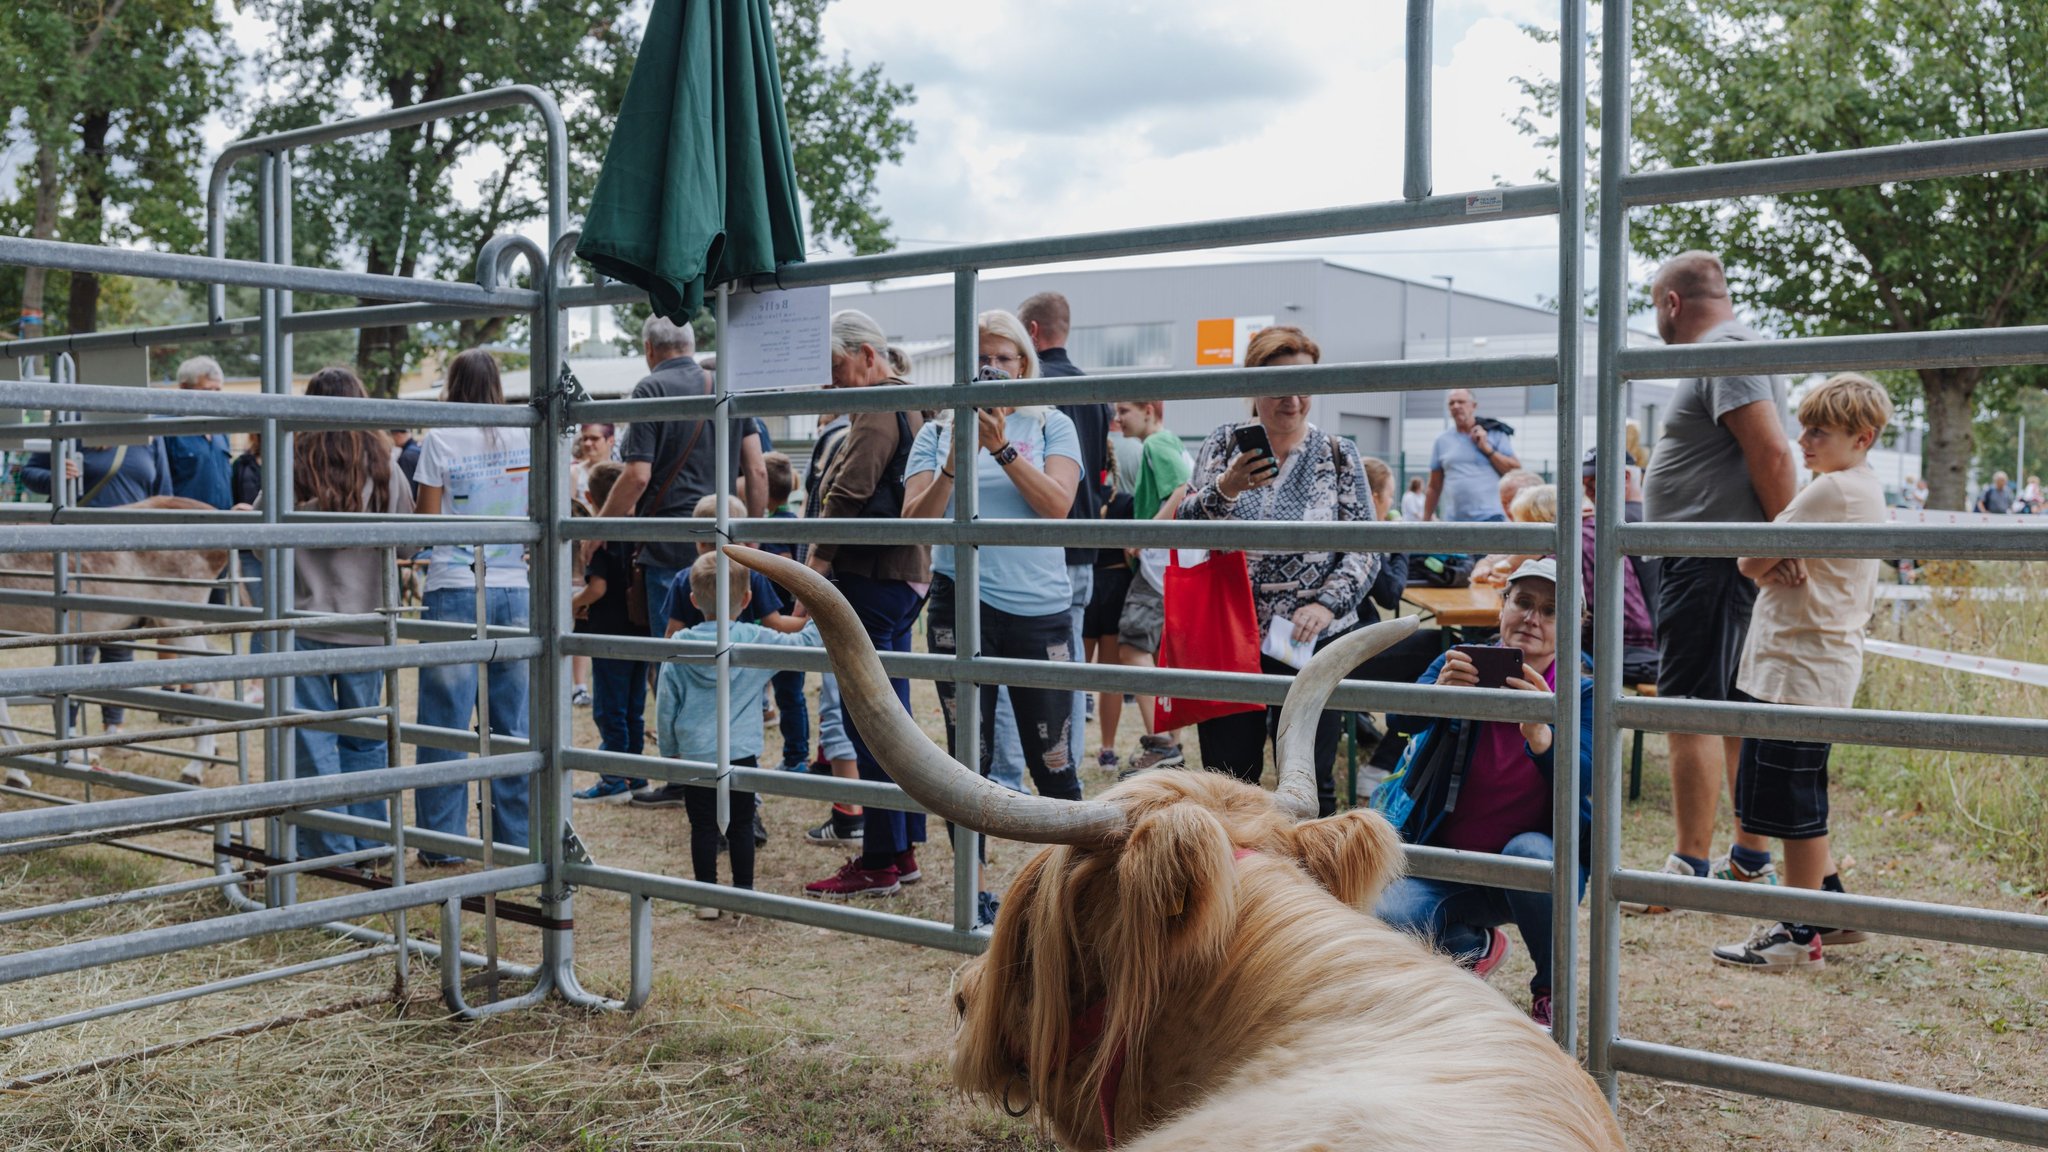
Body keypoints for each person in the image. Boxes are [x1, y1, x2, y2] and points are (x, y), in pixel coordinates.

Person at [891, 308, 1084, 927]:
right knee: (964, 757)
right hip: (958, 602)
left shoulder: (1053, 423)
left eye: (1006, 358)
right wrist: (958, 455)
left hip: (1038, 607)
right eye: (983, 359)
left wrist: (1000, 447)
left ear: (1025, 364)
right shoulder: (937, 430)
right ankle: (973, 892)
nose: (993, 370)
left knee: (1051, 759)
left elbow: (1058, 505)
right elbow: (914, 522)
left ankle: (1072, 890)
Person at [1626, 250, 1798, 913]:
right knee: (1729, 708)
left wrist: (1785, 535)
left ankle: (1688, 866)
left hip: (1710, 561)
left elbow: (1771, 449)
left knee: (1688, 709)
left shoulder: (1726, 349)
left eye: (1654, 306)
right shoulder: (1733, 348)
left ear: (1672, 302)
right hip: (1713, 559)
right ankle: (1749, 860)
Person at [1712, 373, 1892, 970]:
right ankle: (1831, 911)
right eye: (1806, 424)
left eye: (1820, 430)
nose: (1803, 438)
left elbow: (1748, 559)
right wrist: (1777, 558)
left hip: (1799, 666)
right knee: (1798, 790)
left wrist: (1773, 559)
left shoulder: (1831, 491)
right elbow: (1767, 559)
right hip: (1816, 661)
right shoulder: (1860, 488)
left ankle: (1797, 931)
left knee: (1790, 802)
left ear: (1861, 437)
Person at [1374, 558, 1594, 1030]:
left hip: (1533, 869)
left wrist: (1541, 735)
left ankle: (1551, 991)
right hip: (1446, 858)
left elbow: (1588, 781)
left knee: (1530, 853)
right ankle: (1472, 945)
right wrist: (1438, 693)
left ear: (1575, 626)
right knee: (1385, 916)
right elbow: (1398, 721)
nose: (1533, 618)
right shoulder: (1462, 661)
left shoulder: (1582, 691)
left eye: (1552, 611)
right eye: (1524, 602)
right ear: (1502, 607)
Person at [1171, 325, 1379, 816]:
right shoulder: (1223, 444)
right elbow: (1186, 528)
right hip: (1232, 633)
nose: (1292, 398)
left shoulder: (1338, 453)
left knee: (1308, 776)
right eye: (1278, 384)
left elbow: (1367, 547)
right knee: (1227, 782)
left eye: (1304, 384)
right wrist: (1227, 487)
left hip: (1310, 639)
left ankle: (1307, 886)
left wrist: (1325, 605)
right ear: (1253, 386)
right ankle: (1234, 885)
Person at [801, 311, 934, 896]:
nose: (831, 382)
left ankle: (881, 855)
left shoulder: (880, 406)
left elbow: (851, 488)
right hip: (902, 575)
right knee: (891, 715)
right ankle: (899, 849)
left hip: (874, 576)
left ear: (867, 356)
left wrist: (816, 560)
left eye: (836, 367)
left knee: (871, 719)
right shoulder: (913, 402)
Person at [286, 366, 416, 862]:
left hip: (305, 621)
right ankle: (371, 842)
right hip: (368, 622)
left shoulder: (291, 455)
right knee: (365, 738)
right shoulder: (384, 460)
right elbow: (408, 539)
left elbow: (261, 535)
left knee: (312, 738)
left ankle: (328, 845)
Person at [411, 349, 532, 863]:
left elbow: (426, 521)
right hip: (514, 585)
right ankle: (515, 839)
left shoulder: (438, 438)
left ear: (452, 385)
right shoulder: (524, 435)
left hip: (455, 584)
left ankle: (443, 843)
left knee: (445, 720)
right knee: (513, 723)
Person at [655, 552, 822, 919]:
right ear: (747, 600)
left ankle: (706, 899)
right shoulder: (755, 640)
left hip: (696, 753)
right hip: (741, 751)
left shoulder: (680, 643)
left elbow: (666, 704)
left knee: (701, 825)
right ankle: (744, 894)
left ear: (694, 600)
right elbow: (804, 645)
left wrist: (670, 750)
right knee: (743, 823)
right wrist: (814, 600)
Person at [588, 315, 763, 634]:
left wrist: (598, 529)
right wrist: (752, 537)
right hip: (724, 539)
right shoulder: (725, 384)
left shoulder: (650, 388)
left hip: (667, 545)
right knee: (729, 651)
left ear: (648, 348)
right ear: (691, 346)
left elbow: (638, 475)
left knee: (674, 655)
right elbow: (756, 469)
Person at [23, 428, 173, 734]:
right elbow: (28, 472)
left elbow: (163, 492)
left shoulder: (148, 435)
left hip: (129, 557)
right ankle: (68, 732)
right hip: (82, 555)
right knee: (78, 646)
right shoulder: (70, 427)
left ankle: (112, 729)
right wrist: (54, 476)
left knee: (120, 644)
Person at [1018, 290, 1109, 780]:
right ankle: (1065, 766)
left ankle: (1019, 776)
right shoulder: (1093, 393)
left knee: (1021, 669)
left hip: (1039, 545)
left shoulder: (1032, 387)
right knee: (1068, 667)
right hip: (1084, 541)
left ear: (1031, 333)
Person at [1111, 398, 1192, 776]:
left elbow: (1181, 490)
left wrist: (1145, 534)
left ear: (1149, 409)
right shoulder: (1169, 442)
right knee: (1162, 655)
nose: (1117, 418)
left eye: (1124, 410)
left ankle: (1161, 744)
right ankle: (1172, 743)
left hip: (1158, 568)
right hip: (1169, 566)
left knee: (1131, 647)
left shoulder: (1157, 444)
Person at [799, 405, 863, 847]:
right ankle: (858, 813)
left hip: (838, 584)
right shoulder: (852, 432)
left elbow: (833, 505)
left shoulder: (844, 435)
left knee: (840, 706)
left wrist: (810, 576)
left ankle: (850, 816)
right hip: (852, 584)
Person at [571, 462, 649, 803]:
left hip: (609, 633)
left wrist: (573, 602)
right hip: (640, 630)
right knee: (634, 707)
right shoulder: (641, 531)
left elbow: (598, 588)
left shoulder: (600, 537)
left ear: (590, 497)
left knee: (609, 708)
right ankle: (635, 774)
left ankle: (614, 778)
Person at [1578, 450, 1659, 684]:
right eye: (1585, 485)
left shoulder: (1602, 525)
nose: (1588, 492)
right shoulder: (1658, 518)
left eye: (1593, 482)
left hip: (1631, 650)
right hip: (1663, 644)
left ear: (1624, 477)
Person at [760, 451, 809, 770]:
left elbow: (784, 568)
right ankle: (796, 756)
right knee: (791, 693)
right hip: (789, 618)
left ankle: (796, 758)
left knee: (789, 693)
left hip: (780, 622)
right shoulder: (793, 522)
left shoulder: (771, 529)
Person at [1422, 388, 1521, 521]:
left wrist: (1487, 450)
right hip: (1454, 521)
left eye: (1461, 402)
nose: (1456, 406)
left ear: (1474, 406)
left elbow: (1515, 472)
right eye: (1451, 403)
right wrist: (1426, 519)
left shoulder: (1495, 434)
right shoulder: (1442, 441)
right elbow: (1434, 486)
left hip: (1491, 518)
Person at [163, 356, 233, 511]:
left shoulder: (221, 428)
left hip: (223, 525)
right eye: (207, 391)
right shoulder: (163, 427)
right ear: (184, 388)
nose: (215, 397)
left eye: (218, 391)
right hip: (181, 525)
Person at [390, 428, 422, 495]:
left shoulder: (406, 457)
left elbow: (407, 489)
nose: (393, 440)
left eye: (393, 436)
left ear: (398, 435)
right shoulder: (418, 448)